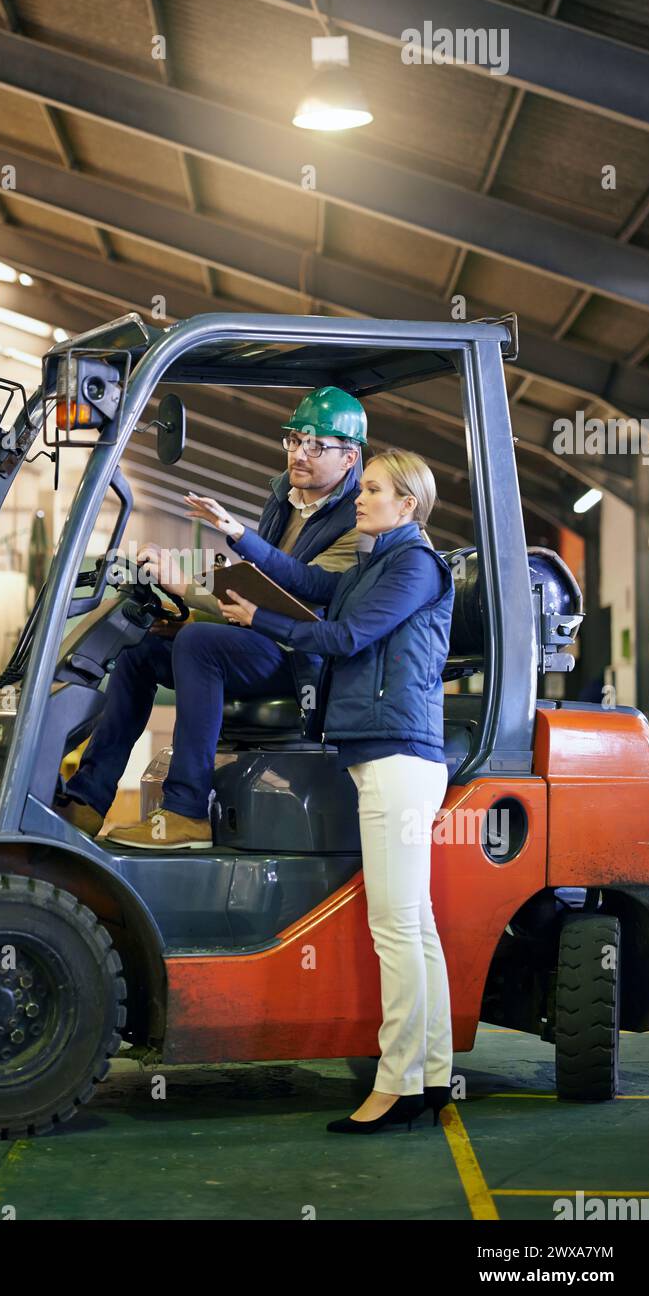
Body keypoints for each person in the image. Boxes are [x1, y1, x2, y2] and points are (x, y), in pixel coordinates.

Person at [215, 449, 455, 1134]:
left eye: (374, 489)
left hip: (399, 757)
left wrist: (258, 624)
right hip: (385, 755)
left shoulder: (414, 565)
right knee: (417, 925)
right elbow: (304, 582)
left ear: (408, 505)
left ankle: (398, 1083)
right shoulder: (374, 564)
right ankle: (433, 1075)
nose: (361, 498)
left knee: (396, 926)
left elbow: (346, 638)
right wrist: (239, 533)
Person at [56, 386, 373, 848]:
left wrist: (192, 584)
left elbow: (299, 592)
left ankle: (186, 812)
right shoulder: (284, 498)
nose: (299, 454)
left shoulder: (357, 524)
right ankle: (87, 799)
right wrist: (187, 611)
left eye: (316, 445)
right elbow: (253, 591)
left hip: (303, 657)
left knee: (199, 645)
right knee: (141, 646)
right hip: (259, 639)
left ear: (349, 458)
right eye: (293, 440)